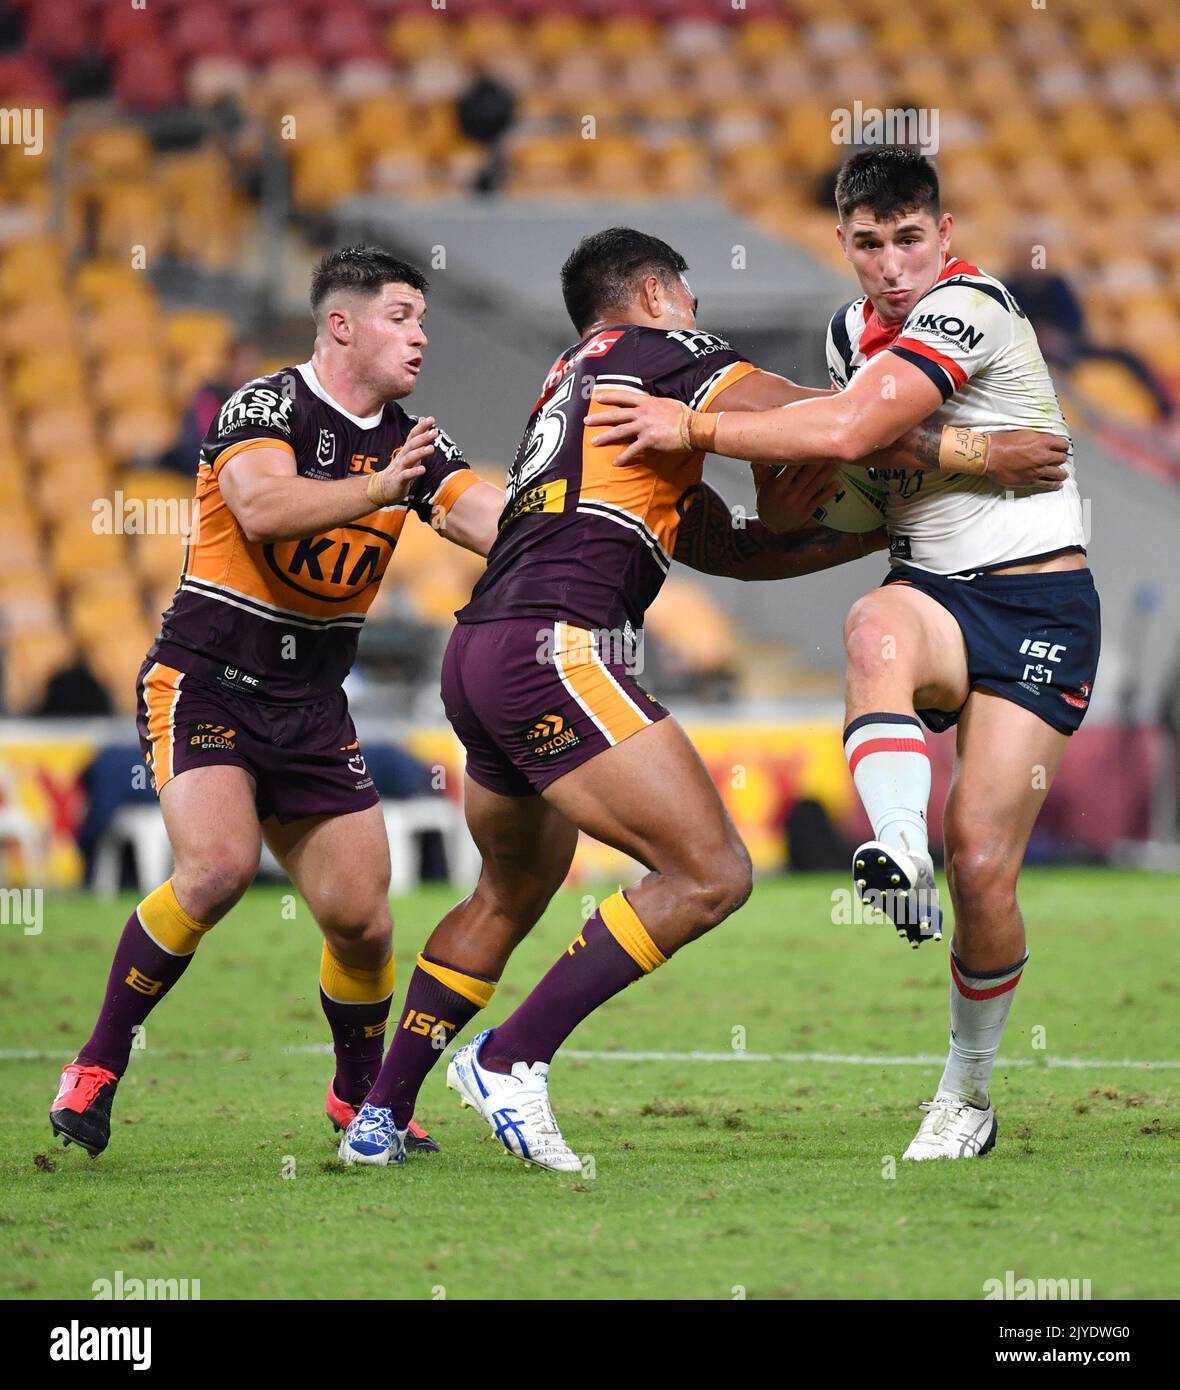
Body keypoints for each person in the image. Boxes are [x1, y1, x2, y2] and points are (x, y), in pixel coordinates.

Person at [338, 226, 1068, 1171]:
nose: (701, 316)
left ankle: (379, 1118)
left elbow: (732, 547)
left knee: (508, 891)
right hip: (556, 649)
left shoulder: (572, 381)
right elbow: (836, 416)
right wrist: (973, 454)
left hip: (481, 651)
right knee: (711, 873)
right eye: (691, 297)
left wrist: (885, 530)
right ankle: (511, 1059)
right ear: (653, 294)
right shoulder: (668, 353)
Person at [588, 152, 1102, 1163]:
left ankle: (967, 1090)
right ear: (843, 245)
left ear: (943, 235)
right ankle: (898, 851)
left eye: (909, 238)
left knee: (988, 866)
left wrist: (692, 425)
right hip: (933, 593)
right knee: (873, 625)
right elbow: (851, 482)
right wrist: (751, 540)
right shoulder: (843, 335)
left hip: (1040, 600)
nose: (891, 263)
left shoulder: (973, 305)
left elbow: (858, 426)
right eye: (868, 243)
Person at [49, 246, 504, 1159]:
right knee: (215, 869)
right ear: (342, 324)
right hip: (205, 677)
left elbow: (481, 517)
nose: (420, 336)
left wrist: (574, 538)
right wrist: (378, 488)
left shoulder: (414, 441)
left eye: (421, 319)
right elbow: (261, 507)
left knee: (363, 920)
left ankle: (352, 1098)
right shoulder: (264, 405)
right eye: (402, 316)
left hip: (309, 702)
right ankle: (95, 1066)